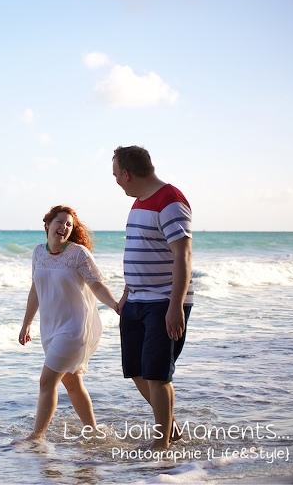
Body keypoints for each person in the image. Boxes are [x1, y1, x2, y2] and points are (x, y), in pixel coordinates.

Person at [111, 145, 194, 450]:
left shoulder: (170, 201)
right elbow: (138, 252)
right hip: (136, 300)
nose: (116, 181)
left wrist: (175, 306)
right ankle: (170, 427)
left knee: (158, 374)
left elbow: (182, 255)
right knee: (136, 369)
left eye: (116, 175)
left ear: (127, 173)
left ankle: (162, 445)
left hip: (164, 301)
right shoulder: (139, 202)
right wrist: (125, 294)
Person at [18, 205, 119, 441]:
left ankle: (36, 437)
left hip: (74, 328)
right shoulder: (38, 253)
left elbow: (96, 285)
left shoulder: (78, 254)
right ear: (47, 224)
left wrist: (114, 304)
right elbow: (35, 290)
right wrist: (26, 324)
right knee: (72, 383)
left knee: (47, 381)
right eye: (59, 222)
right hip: (51, 328)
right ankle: (93, 431)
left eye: (68, 225)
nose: (63, 227)